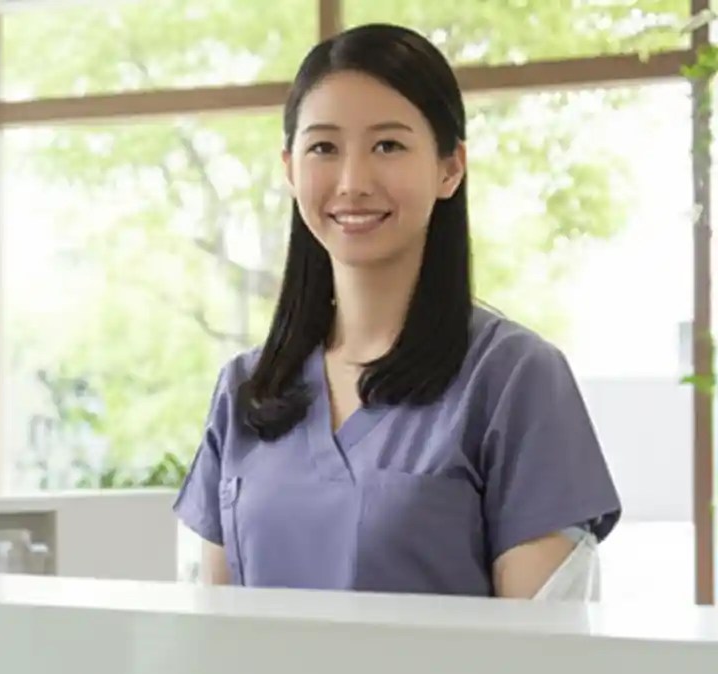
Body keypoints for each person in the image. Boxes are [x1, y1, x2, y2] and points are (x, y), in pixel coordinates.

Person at [172, 23, 621, 598]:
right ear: (289, 169)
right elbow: (210, 639)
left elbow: (545, 656)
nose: (354, 182)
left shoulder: (513, 379)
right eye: (323, 148)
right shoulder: (244, 391)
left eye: (388, 145)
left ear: (449, 168)